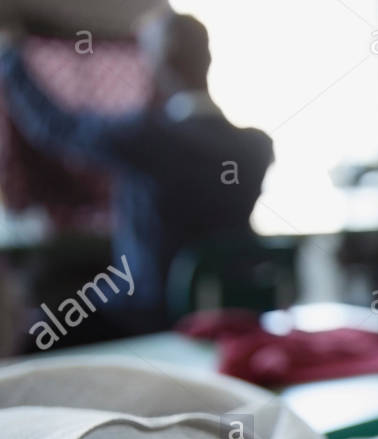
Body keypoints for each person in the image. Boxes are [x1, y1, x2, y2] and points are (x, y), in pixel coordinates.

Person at [0, 12, 273, 343]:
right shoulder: (257, 146)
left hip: (146, 311)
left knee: (37, 332)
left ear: (160, 65)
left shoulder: (147, 136)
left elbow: (57, 127)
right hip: (233, 308)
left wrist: (10, 59)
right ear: (209, 59)